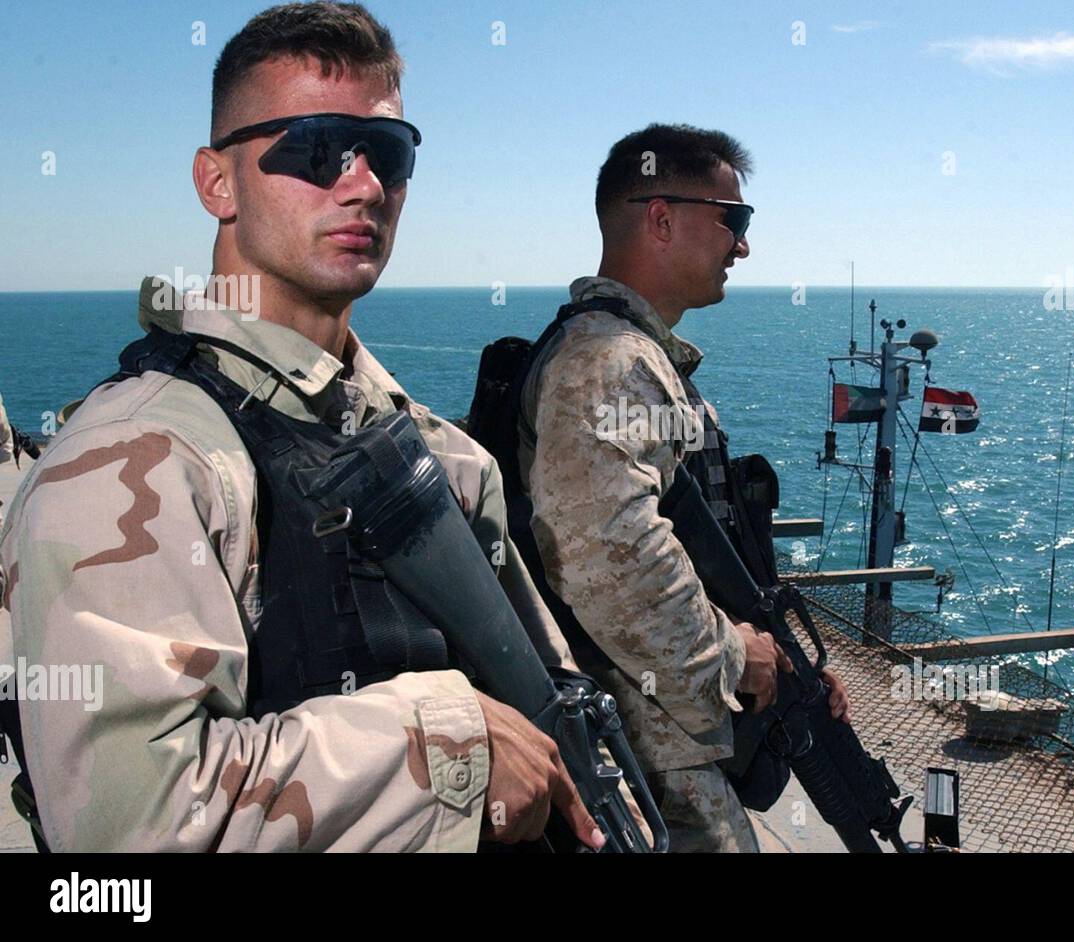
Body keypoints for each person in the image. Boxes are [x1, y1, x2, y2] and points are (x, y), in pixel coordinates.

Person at [0, 1, 602, 853]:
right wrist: (446, 744)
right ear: (217, 181)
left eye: (388, 154)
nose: (363, 184)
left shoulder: (444, 459)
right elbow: (125, 835)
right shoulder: (134, 461)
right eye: (316, 148)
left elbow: (545, 703)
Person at [515, 124, 850, 852]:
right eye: (735, 219)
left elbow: (691, 553)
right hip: (648, 761)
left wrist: (782, 669)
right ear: (661, 218)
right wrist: (733, 657)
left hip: (667, 742)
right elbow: (612, 563)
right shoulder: (607, 361)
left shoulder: (639, 361)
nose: (743, 245)